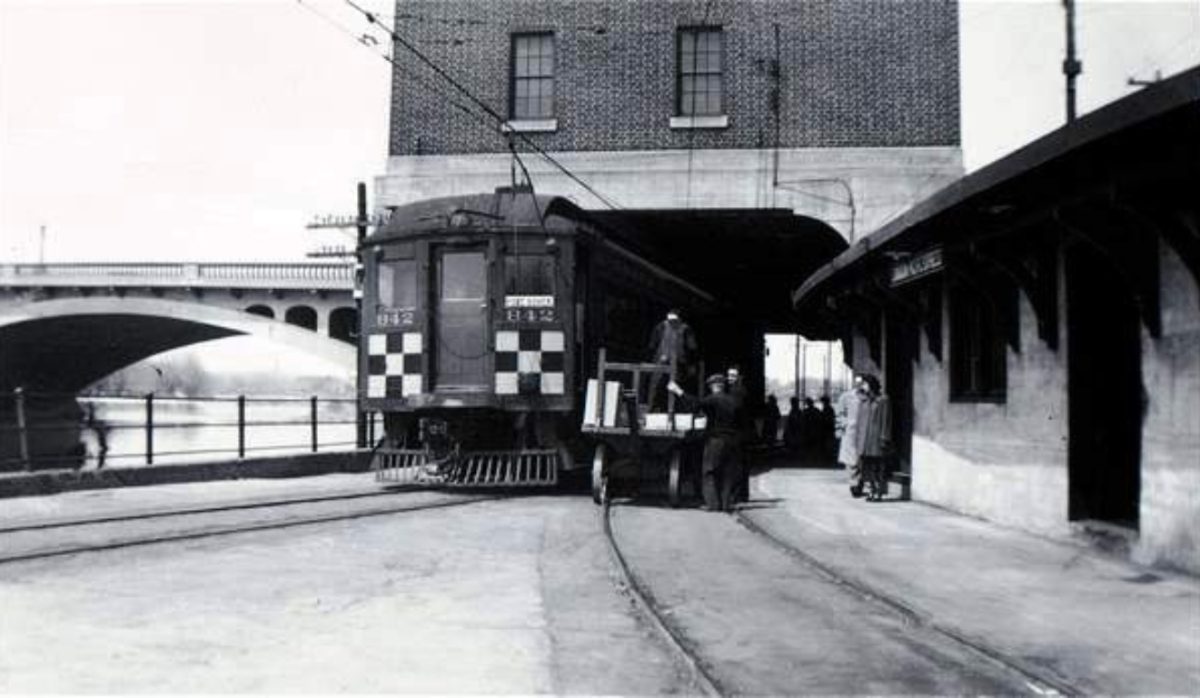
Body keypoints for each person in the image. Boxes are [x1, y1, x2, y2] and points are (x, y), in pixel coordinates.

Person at [668, 374, 740, 512]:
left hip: (716, 440)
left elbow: (695, 404)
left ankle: (713, 504)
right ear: (723, 386)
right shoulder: (734, 401)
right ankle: (726, 505)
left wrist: (679, 391)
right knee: (727, 474)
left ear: (713, 386)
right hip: (732, 441)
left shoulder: (713, 399)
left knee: (709, 471)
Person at [646, 309, 698, 411]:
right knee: (661, 389)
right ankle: (654, 411)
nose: (672, 323)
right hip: (665, 364)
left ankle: (660, 411)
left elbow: (692, 348)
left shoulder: (684, 329)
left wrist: (691, 364)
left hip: (676, 365)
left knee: (668, 389)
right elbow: (652, 345)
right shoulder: (662, 327)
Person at [855, 374, 892, 501]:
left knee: (878, 467)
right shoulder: (864, 401)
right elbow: (859, 422)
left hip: (876, 439)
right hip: (865, 441)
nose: (863, 386)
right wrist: (858, 440)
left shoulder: (883, 400)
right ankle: (871, 490)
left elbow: (886, 420)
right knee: (867, 468)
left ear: (871, 385)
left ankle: (878, 492)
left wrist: (884, 438)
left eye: (865, 384)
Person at [835, 375, 865, 497]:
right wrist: (840, 429)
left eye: (861, 382)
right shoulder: (846, 397)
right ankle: (854, 484)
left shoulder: (867, 397)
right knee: (851, 460)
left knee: (861, 459)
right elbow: (840, 414)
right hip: (850, 432)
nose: (859, 385)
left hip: (863, 431)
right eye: (857, 382)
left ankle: (860, 482)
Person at [725, 366, 751, 503]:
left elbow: (735, 410)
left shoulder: (737, 391)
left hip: (737, 433)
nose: (730, 378)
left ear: (739, 377)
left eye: (733, 376)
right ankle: (743, 494)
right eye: (729, 375)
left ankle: (736, 495)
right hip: (742, 432)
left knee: (736, 464)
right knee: (741, 464)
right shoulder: (739, 390)